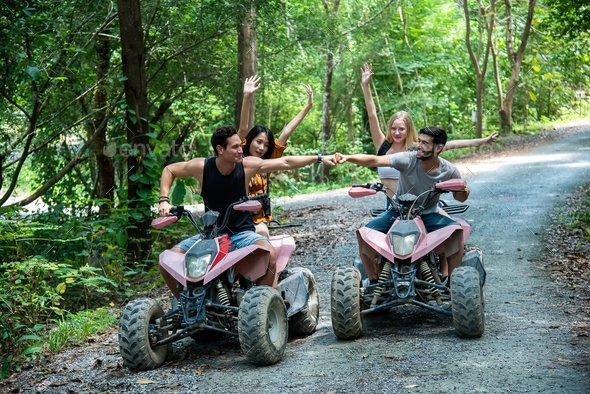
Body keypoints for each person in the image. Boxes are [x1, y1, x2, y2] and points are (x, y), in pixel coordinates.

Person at [158, 125, 335, 300]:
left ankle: (268, 303)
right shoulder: (202, 167)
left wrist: (319, 158)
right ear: (220, 149)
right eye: (235, 147)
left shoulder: (247, 166)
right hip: (211, 236)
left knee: (268, 252)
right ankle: (186, 302)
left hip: (241, 233)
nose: (240, 150)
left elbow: (285, 162)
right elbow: (169, 170)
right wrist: (164, 200)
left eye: (240, 145)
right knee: (169, 260)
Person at [336, 126, 469, 282]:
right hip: (397, 213)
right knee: (365, 234)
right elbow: (375, 160)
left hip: (428, 215)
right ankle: (373, 283)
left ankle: (454, 283)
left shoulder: (449, 170)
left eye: (425, 143)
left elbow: (460, 197)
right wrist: (347, 157)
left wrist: (463, 190)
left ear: (438, 148)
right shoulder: (408, 159)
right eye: (419, 141)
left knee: (456, 233)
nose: (419, 146)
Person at [360, 63, 497, 200]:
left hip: (420, 206)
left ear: (408, 130)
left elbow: (453, 144)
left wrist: (483, 141)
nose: (396, 132)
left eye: (401, 129)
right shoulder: (383, 146)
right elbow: (372, 116)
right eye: (393, 128)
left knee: (448, 221)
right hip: (394, 207)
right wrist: (366, 86)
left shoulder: (418, 149)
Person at [238, 78, 314, 238]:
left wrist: (307, 107)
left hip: (258, 221)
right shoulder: (237, 155)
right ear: (250, 140)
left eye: (266, 145)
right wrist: (247, 97)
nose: (261, 148)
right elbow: (243, 128)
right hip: (236, 219)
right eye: (258, 142)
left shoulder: (268, 161)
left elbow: (286, 132)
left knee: (262, 237)